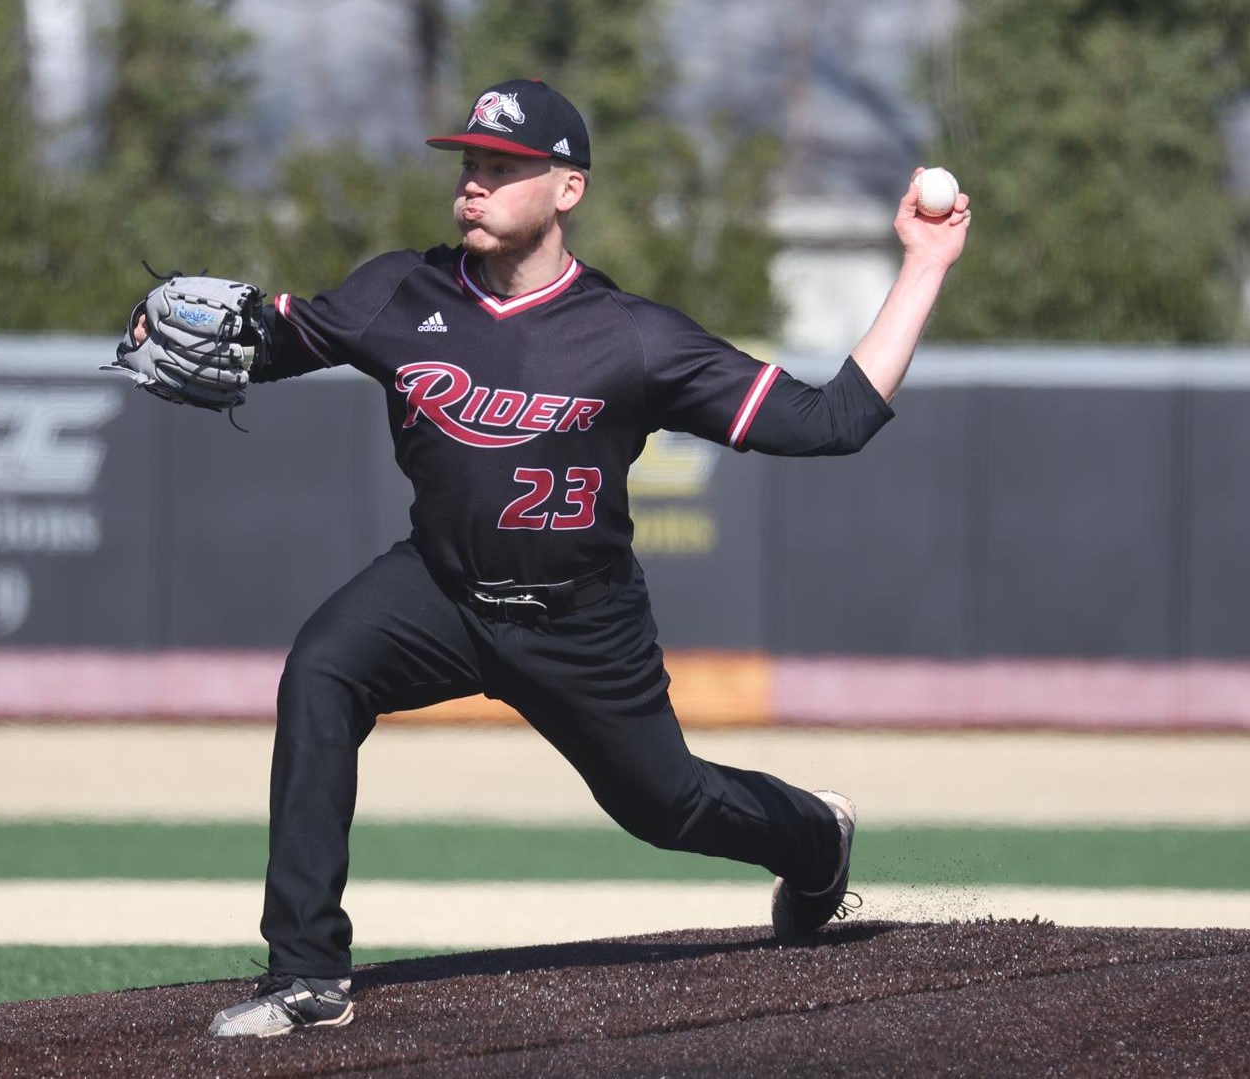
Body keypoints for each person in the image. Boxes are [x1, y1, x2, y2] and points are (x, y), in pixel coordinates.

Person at [130, 78, 970, 1039]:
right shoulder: (402, 291)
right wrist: (206, 331)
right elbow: (283, 337)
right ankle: (308, 971)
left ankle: (816, 836)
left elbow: (834, 421)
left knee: (668, 806)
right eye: (468, 166)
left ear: (567, 189)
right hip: (438, 590)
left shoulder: (634, 338)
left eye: (502, 168)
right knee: (322, 669)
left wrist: (923, 263)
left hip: (579, 619)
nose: (472, 187)